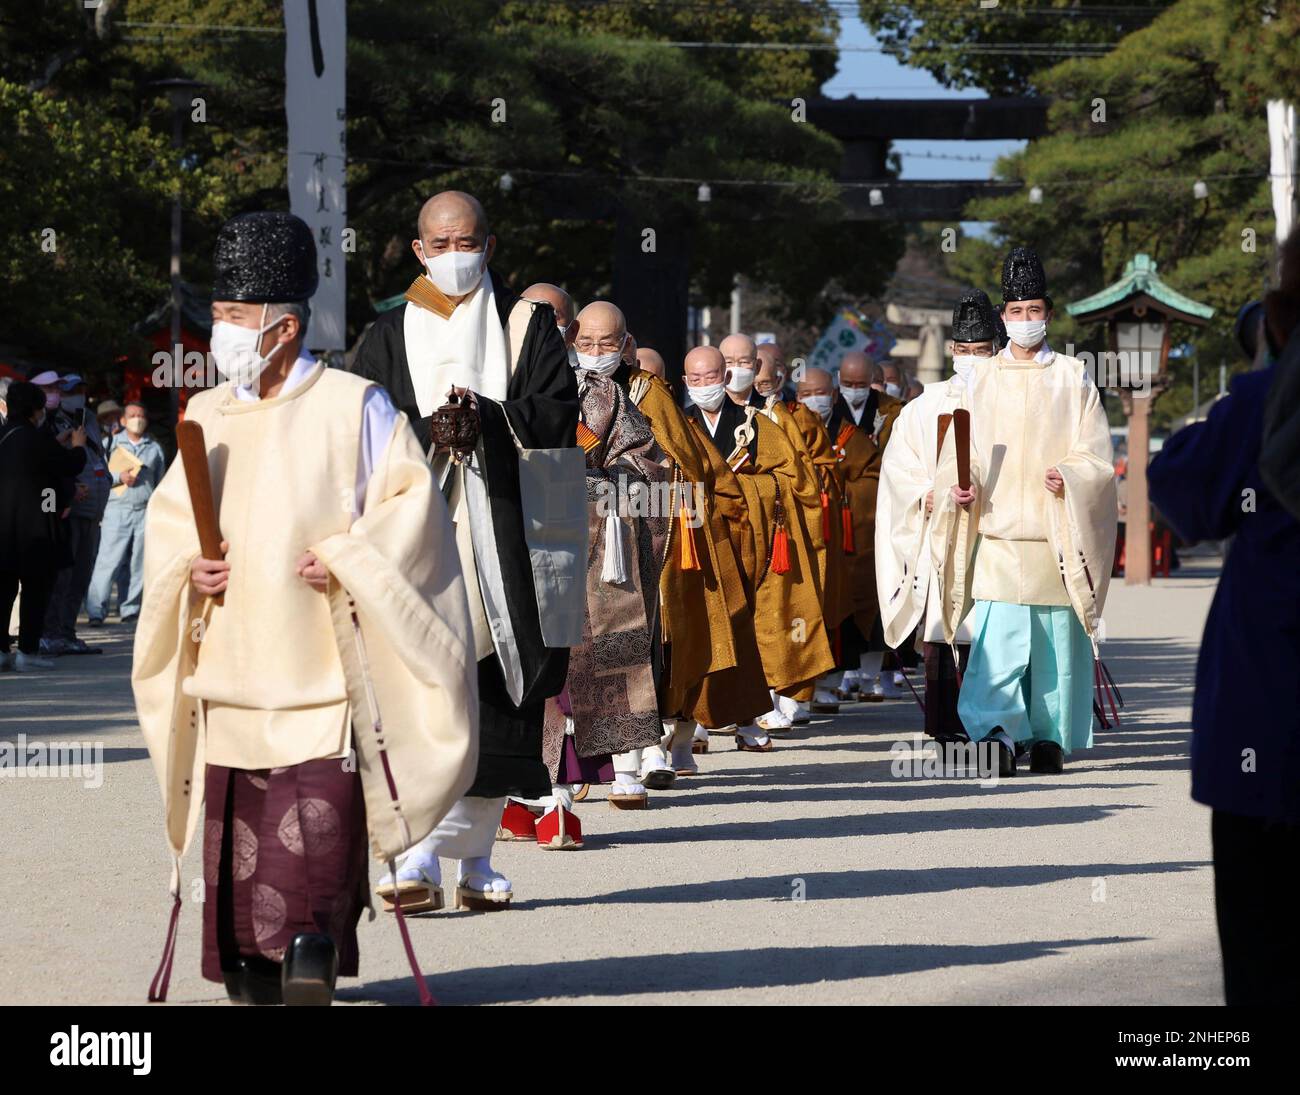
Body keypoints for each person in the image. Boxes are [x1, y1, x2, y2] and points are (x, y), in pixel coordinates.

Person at [132, 211, 477, 1006]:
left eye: (230, 320)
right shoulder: (204, 417)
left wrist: (349, 557)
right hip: (230, 676)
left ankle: (310, 955)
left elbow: (410, 509)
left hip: (323, 672)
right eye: (217, 318)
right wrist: (193, 568)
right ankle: (254, 977)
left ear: (283, 327)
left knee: (312, 839)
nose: (219, 335)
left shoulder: (356, 406)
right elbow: (171, 527)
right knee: (239, 846)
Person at [351, 190, 582, 911]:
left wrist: (486, 418)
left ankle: (477, 861)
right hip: (417, 535)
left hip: (503, 539)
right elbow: (361, 424)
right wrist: (429, 433)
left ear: (490, 243)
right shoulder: (387, 333)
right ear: (419, 251)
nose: (456, 255)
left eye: (469, 241)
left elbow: (556, 413)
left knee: (495, 698)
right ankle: (414, 855)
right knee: (416, 693)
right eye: (440, 244)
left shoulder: (527, 325)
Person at [1149, 234, 1300, 1005]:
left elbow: (1177, 488)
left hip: (1267, 725)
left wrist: (1253, 381)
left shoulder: (1263, 403)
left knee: (1263, 957)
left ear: (1278, 315)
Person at [931, 248, 1117, 776]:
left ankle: (1049, 738)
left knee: (1057, 645)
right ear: (1004, 317)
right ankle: (994, 733)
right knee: (998, 644)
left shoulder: (1074, 376)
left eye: (1034, 310)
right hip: (999, 534)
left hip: (1054, 534)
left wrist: (1072, 473)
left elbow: (1096, 453)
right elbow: (957, 455)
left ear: (1048, 314)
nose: (1026, 320)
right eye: (1016, 311)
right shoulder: (980, 379)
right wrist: (959, 489)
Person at [537, 301, 670, 822]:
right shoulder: (518, 389)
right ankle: (544, 782)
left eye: (604, 344)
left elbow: (649, 465)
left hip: (603, 544)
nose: (593, 354)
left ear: (625, 343)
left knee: (614, 648)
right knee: (546, 661)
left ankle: (627, 763)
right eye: (585, 343)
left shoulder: (611, 394)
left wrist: (602, 483)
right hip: (537, 543)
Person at [682, 344, 832, 752]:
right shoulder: (681, 425)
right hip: (695, 542)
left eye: (711, 377)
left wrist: (746, 490)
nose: (703, 386)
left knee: (742, 629)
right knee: (697, 629)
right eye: (694, 380)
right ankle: (693, 721)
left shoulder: (757, 425)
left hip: (747, 540)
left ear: (725, 379)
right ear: (684, 382)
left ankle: (748, 719)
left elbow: (793, 478)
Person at [876, 291, 1000, 743]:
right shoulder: (922, 408)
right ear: (951, 351)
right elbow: (897, 472)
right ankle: (948, 730)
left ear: (996, 351)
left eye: (982, 351)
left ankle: (996, 728)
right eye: (964, 351)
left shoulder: (1010, 403)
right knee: (943, 632)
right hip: (939, 536)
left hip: (993, 534)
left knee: (994, 633)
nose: (972, 359)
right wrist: (927, 495)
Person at [828, 350, 904, 700]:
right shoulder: (827, 412)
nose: (854, 391)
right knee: (840, 594)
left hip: (881, 512)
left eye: (861, 384)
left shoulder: (893, 411)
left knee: (879, 592)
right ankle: (844, 674)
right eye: (847, 384)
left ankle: (875, 675)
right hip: (837, 518)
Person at [0, 381, 88, 672]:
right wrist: (77, 446)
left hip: (4, 528)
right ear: (35, 410)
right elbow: (69, 465)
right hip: (36, 527)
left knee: (4, 589)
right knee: (36, 589)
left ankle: (1, 650)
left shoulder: (4, 435)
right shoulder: (37, 438)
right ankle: (28, 650)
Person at [33, 371, 109, 657]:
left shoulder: (89, 420)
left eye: (80, 389)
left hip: (94, 512)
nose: (74, 395)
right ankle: (51, 633)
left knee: (81, 577)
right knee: (61, 578)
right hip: (70, 510)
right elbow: (51, 466)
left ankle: (68, 631)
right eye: (67, 391)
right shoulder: (52, 423)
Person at [86, 403, 165, 626]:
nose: (137, 419)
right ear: (123, 420)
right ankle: (95, 609)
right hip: (116, 509)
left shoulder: (154, 448)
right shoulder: (109, 444)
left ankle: (130, 608)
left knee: (138, 563)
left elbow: (160, 480)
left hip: (144, 509)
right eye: (132, 415)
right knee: (107, 561)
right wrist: (118, 475)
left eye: (141, 415)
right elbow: (96, 472)